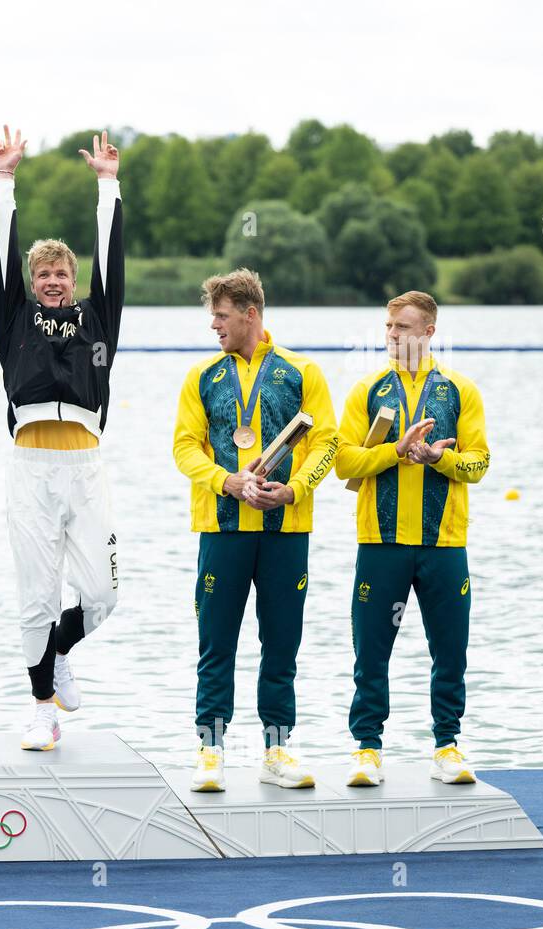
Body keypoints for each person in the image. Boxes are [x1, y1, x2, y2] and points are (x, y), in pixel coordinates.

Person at [173, 268, 339, 791]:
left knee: (281, 642)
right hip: (222, 529)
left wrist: (294, 490)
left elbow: (327, 443)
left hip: (286, 529)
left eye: (221, 317)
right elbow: (184, 448)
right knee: (216, 642)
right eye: (212, 317)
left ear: (250, 314)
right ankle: (211, 751)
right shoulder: (202, 377)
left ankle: (276, 750)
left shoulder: (301, 371)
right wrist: (227, 482)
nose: (214, 327)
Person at [0, 127, 123, 751]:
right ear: (30, 279)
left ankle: (60, 649)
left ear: (74, 279)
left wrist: (106, 184)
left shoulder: (98, 319)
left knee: (102, 593)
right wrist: (4, 181)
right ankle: (41, 706)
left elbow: (111, 256)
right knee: (36, 592)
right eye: (42, 271)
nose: (51, 279)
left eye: (61, 271)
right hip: (31, 467)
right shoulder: (13, 318)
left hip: (87, 465)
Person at [335, 291, 489, 786]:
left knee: (450, 649)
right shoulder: (367, 390)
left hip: (444, 544)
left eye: (403, 327)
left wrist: (438, 459)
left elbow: (480, 464)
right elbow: (344, 463)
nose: (392, 335)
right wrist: (396, 452)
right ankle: (367, 748)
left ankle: (447, 744)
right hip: (381, 544)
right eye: (388, 326)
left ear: (428, 333)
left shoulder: (460, 390)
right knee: (371, 649)